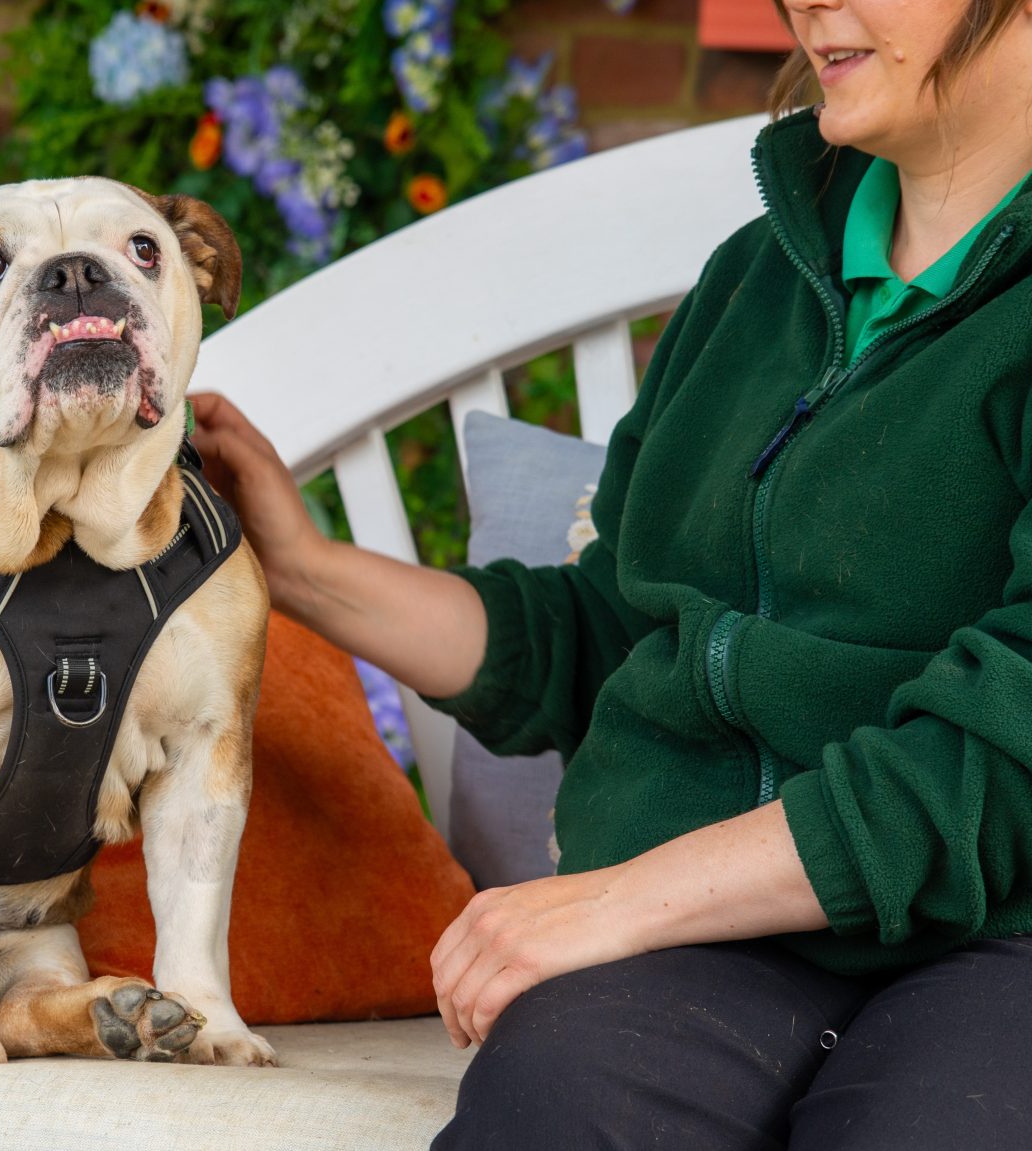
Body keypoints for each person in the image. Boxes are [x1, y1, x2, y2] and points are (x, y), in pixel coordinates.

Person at [189, 1, 1032, 1146]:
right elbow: (611, 632)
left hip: (995, 938)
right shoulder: (759, 279)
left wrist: (616, 899)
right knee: (554, 1108)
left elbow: (1003, 757)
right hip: (717, 945)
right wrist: (301, 568)